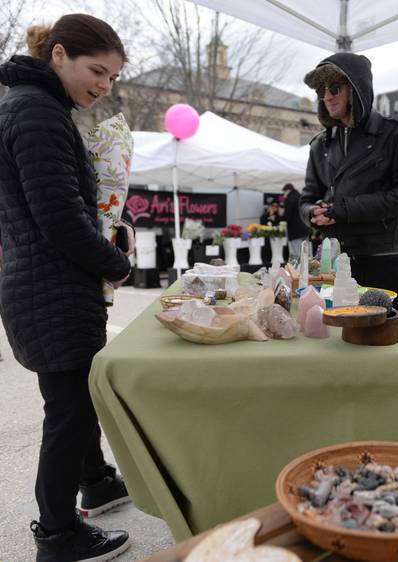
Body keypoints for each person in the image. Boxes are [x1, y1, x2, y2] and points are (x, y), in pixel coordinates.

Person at [0, 14, 134, 561]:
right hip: (50, 287)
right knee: (70, 410)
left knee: (75, 398)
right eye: (96, 71)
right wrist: (117, 264)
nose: (103, 86)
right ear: (58, 55)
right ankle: (58, 535)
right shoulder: (36, 114)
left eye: (112, 78)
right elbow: (59, 218)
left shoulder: (38, 107)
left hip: (44, 285)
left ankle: (97, 482)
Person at [299, 53, 398, 320]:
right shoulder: (320, 145)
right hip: (334, 265)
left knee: (389, 351)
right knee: (339, 349)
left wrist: (345, 210)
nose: (327, 96)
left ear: (356, 89)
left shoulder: (396, 134)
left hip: (383, 262)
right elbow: (307, 197)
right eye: (322, 90)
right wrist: (313, 212)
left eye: (335, 88)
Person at [280, 183, 310, 260]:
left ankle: (296, 271)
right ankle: (309, 270)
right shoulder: (302, 197)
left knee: (296, 255)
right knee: (306, 253)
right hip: (305, 228)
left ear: (288, 190)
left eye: (284, 192)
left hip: (294, 231)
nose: (284, 194)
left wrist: (278, 218)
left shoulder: (289, 199)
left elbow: (287, 217)